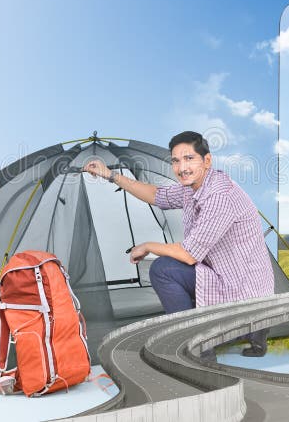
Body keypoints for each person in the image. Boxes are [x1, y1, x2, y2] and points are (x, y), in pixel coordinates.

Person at [83, 131, 274, 357]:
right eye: (176, 161)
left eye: (189, 158)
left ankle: (197, 350)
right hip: (225, 272)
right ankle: (254, 334)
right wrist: (110, 175)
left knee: (164, 270)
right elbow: (157, 196)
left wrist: (147, 246)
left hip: (242, 287)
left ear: (207, 160)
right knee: (178, 270)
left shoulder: (219, 196)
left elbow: (189, 254)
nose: (182, 167)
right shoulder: (195, 186)